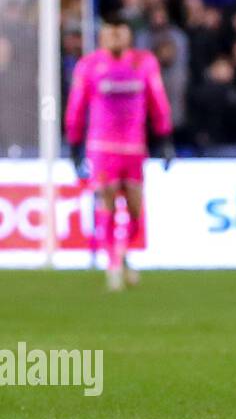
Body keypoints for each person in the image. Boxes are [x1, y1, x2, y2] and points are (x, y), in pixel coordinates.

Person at [65, 17, 174, 290]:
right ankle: (113, 263)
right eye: (109, 32)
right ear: (102, 37)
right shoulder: (89, 66)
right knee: (107, 203)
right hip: (102, 147)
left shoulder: (144, 63)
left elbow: (158, 102)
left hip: (135, 148)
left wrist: (165, 139)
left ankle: (122, 253)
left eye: (119, 32)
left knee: (136, 210)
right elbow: (76, 107)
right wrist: (74, 145)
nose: (114, 37)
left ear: (129, 35)